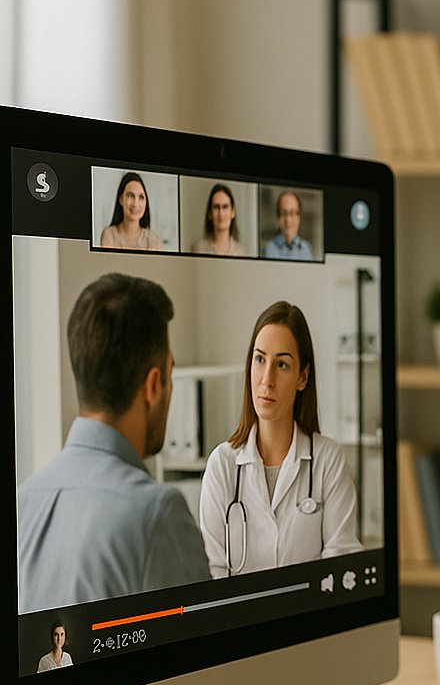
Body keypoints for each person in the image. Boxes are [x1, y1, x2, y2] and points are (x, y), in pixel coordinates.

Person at [18, 274, 211, 613]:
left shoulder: (22, 504)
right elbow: (209, 661)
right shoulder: (157, 514)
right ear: (153, 385)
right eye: (170, 374)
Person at [198, 300, 361, 577]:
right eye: (260, 359)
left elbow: (341, 568)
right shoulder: (222, 465)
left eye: (282, 364)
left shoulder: (328, 460)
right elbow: (212, 573)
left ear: (303, 377)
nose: (266, 379)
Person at [99, 172, 162, 251]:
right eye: (130, 196)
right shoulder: (109, 235)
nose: (135, 204)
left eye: (141, 197)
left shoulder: (153, 240)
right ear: (121, 199)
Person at [191, 182, 246, 256]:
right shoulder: (199, 248)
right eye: (216, 207)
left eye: (225, 207)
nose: (221, 213)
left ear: (233, 212)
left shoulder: (241, 252)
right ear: (210, 213)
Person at [263, 191, 314, 260]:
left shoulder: (306, 248)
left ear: (299, 216)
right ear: (278, 217)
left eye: (292, 213)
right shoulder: (270, 248)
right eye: (284, 213)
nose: (288, 220)